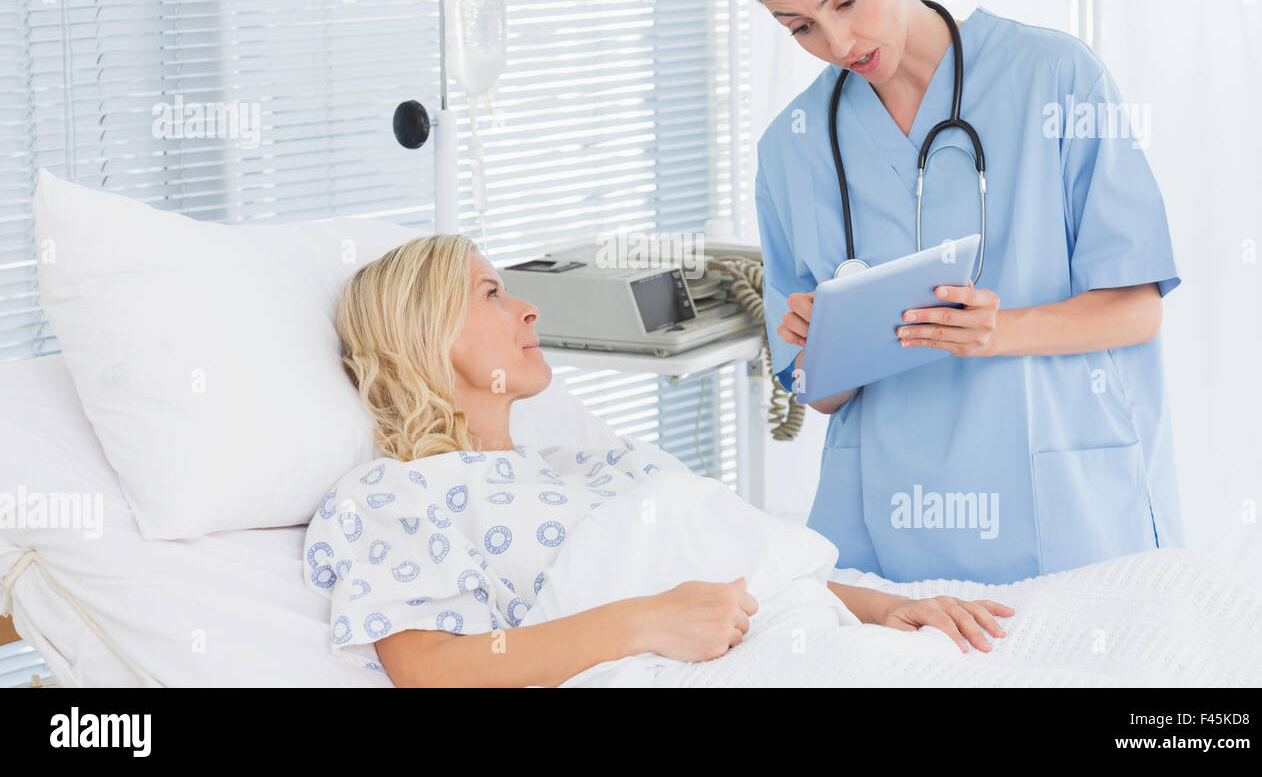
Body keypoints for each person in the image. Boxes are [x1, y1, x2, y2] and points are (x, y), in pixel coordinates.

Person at [303, 234, 1013, 687]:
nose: (529, 311)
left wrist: (889, 607)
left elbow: (748, 570)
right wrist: (642, 622)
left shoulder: (587, 462)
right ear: (424, 333)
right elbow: (429, 669)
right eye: (492, 293)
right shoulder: (394, 494)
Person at [732, 0, 1183, 584]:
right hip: (886, 526)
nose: (838, 41)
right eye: (801, 29)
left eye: (845, 2)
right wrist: (819, 339)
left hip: (1061, 505)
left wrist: (999, 331)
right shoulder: (791, 147)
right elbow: (817, 395)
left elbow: (1137, 310)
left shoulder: (1056, 78)